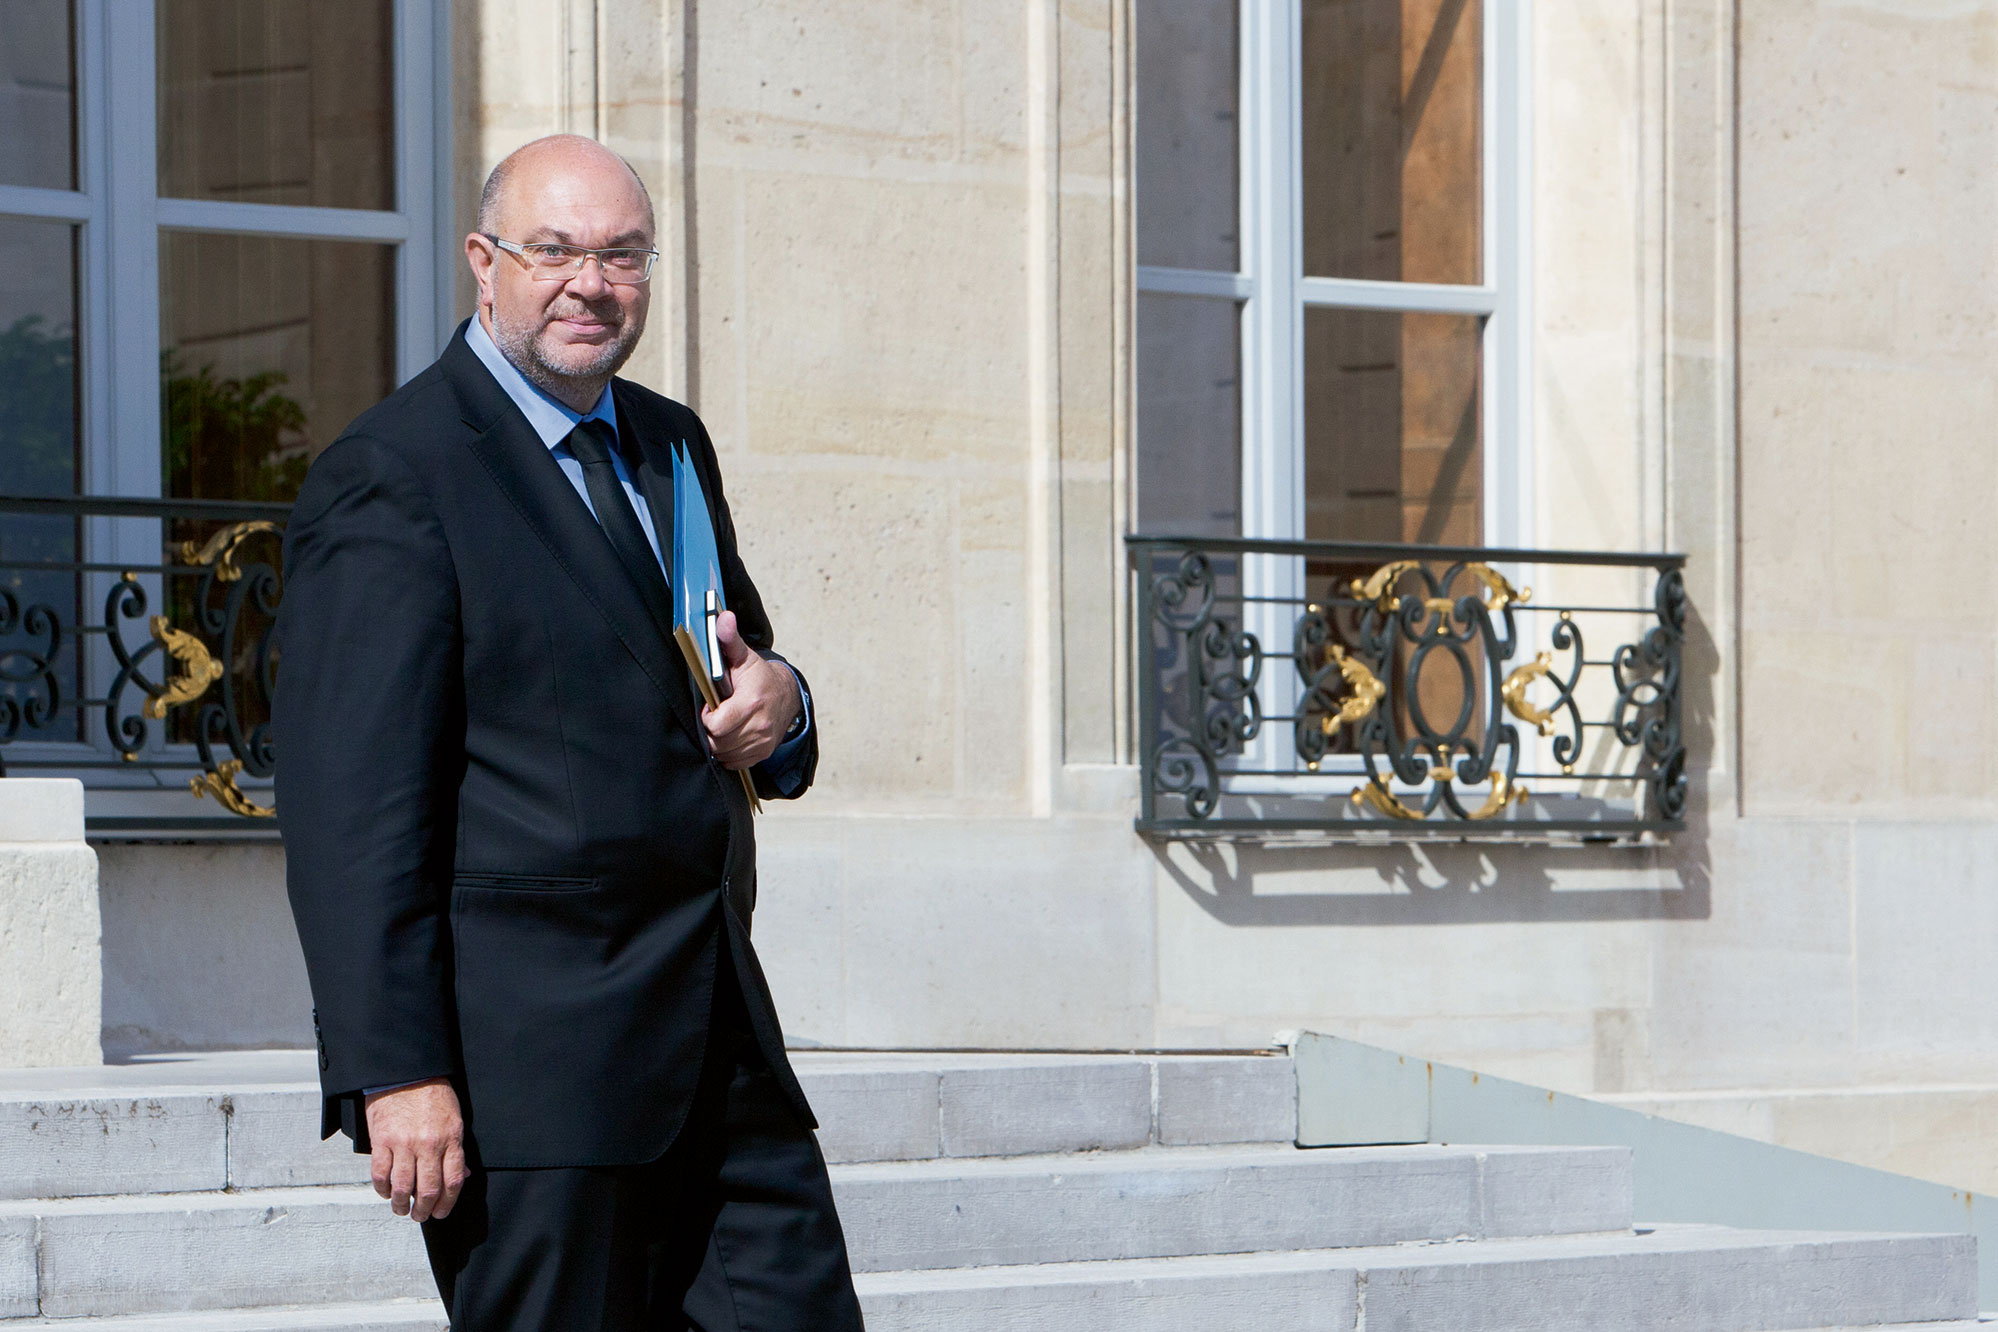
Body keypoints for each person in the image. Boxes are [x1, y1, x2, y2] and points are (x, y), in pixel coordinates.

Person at [274, 134, 865, 1330]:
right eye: (554, 251)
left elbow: (730, 661)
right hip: (531, 1085)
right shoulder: (395, 476)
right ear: (484, 265)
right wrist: (397, 1070)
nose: (591, 282)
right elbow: (352, 812)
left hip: (717, 1044)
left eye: (623, 255)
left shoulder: (669, 443)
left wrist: (786, 701)